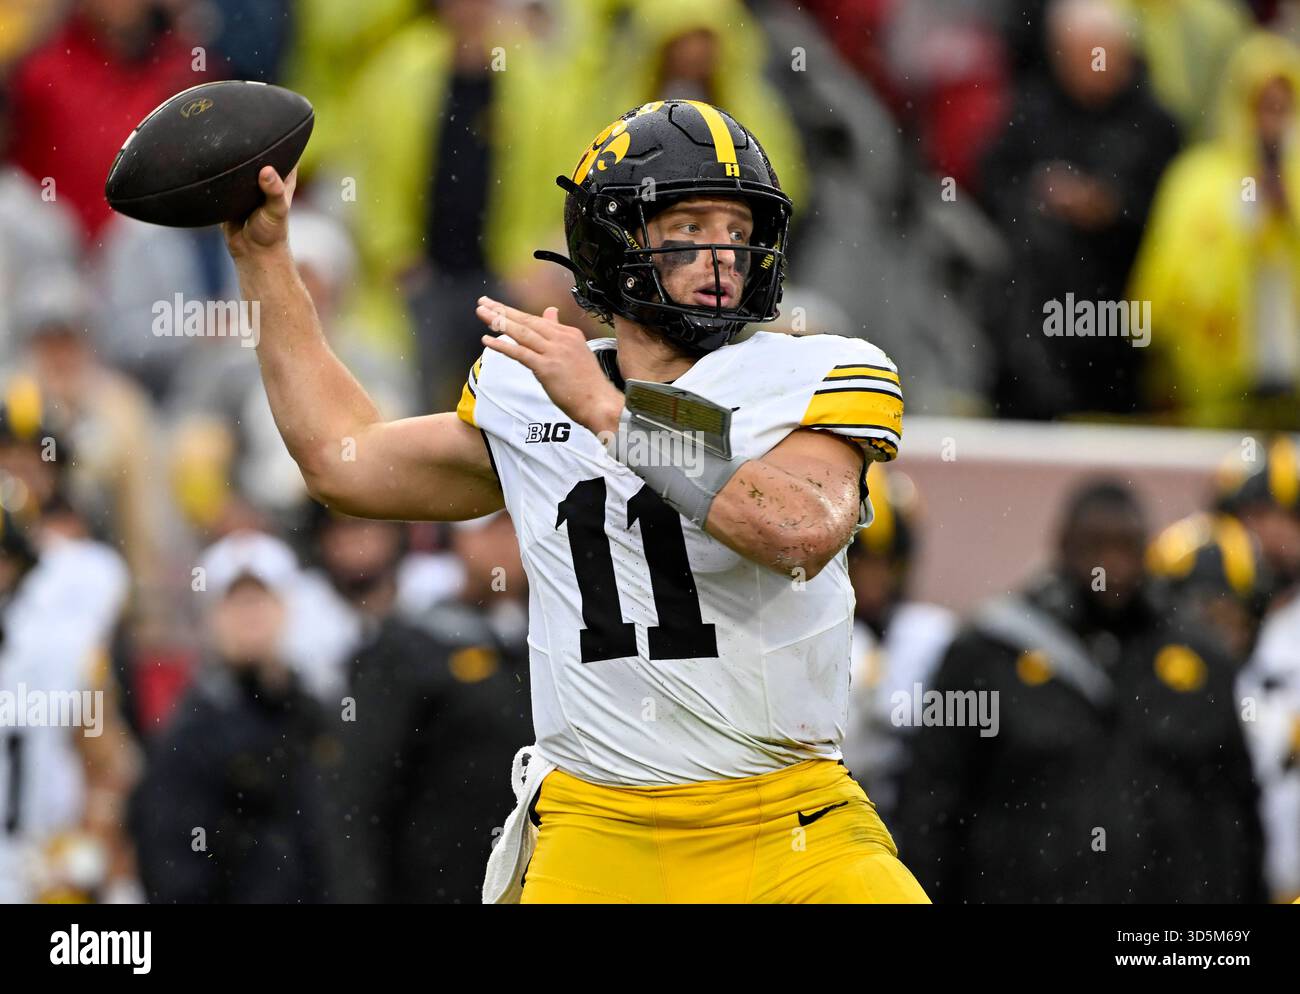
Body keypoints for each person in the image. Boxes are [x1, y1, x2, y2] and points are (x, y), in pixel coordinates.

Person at [223, 99, 924, 903]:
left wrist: (610, 412)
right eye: (689, 226)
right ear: (613, 240)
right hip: (600, 832)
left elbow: (798, 528)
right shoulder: (533, 393)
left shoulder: (814, 371)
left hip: (790, 822)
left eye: (738, 228)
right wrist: (266, 261)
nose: (723, 255)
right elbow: (340, 461)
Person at [895, 480, 1266, 903]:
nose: (1111, 565)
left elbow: (1237, 807)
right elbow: (931, 800)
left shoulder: (1197, 660)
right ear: (1064, 547)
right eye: (1096, 546)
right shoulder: (988, 653)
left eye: (1126, 547)